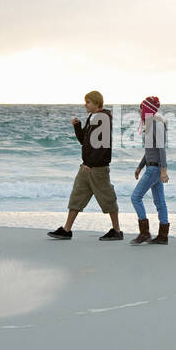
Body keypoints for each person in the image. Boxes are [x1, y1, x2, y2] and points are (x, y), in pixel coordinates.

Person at [48, 90, 123, 240]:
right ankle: (66, 230)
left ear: (96, 103)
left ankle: (117, 231)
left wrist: (91, 163)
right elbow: (84, 141)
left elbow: (103, 146)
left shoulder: (103, 118)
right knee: (77, 196)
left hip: (98, 168)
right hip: (86, 167)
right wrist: (77, 126)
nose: (85, 104)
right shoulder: (92, 117)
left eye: (88, 102)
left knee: (107, 198)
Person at [129, 97, 170, 244]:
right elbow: (149, 152)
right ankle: (163, 236)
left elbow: (161, 150)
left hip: (155, 169)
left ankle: (144, 233)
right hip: (152, 166)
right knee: (160, 202)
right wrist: (140, 167)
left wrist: (163, 170)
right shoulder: (151, 125)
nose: (139, 111)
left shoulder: (156, 125)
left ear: (147, 109)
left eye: (141, 108)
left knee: (135, 197)